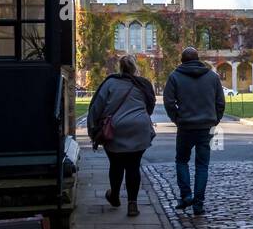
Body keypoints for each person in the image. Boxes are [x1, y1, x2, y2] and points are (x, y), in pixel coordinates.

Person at [87, 55, 156, 217]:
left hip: (114, 129)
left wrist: (93, 130)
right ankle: (132, 204)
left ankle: (115, 195)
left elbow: (96, 107)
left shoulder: (110, 83)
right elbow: (150, 106)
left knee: (116, 164)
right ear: (134, 68)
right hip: (140, 128)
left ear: (120, 67)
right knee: (133, 166)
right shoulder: (143, 84)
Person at [163, 47, 225, 215]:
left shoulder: (175, 77)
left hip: (185, 127)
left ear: (182, 61)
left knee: (182, 161)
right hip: (206, 127)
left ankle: (186, 195)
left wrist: (177, 119)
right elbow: (220, 103)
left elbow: (168, 102)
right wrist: (214, 119)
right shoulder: (212, 77)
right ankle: (198, 203)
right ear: (198, 59)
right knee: (202, 166)